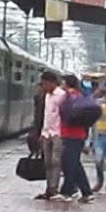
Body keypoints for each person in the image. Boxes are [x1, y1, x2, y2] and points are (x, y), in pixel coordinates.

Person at [58, 74, 95, 203]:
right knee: (75, 164)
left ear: (67, 84)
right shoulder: (80, 97)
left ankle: (67, 191)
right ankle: (86, 192)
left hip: (70, 134)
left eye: (63, 83)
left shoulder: (69, 97)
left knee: (70, 164)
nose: (61, 85)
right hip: (77, 134)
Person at [34, 71, 65, 200]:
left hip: (58, 133)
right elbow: (46, 116)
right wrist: (42, 132)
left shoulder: (62, 96)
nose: (42, 87)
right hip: (47, 133)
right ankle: (48, 188)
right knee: (47, 162)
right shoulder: (46, 96)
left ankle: (54, 188)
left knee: (55, 161)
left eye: (44, 84)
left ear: (51, 83)